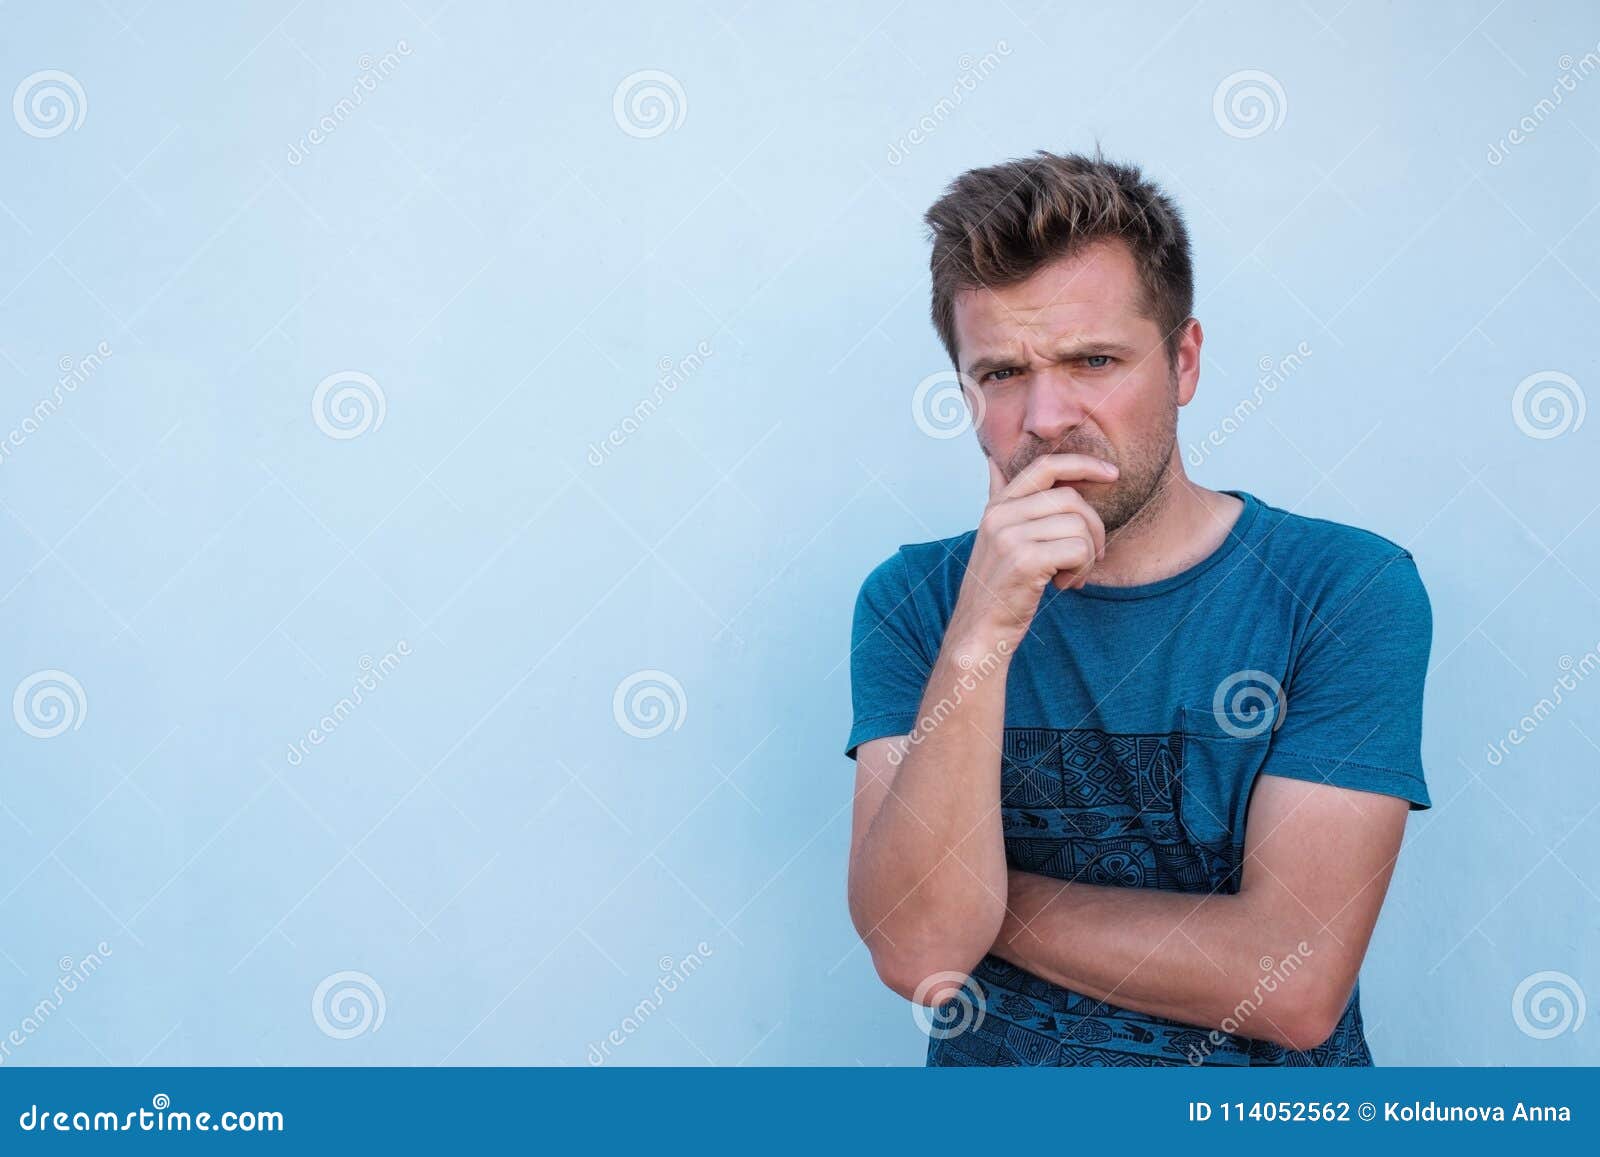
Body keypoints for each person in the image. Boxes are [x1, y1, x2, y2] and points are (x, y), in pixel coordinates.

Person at [844, 149, 1432, 1066]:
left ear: (1184, 361)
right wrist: (981, 638)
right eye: (1001, 373)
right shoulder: (915, 603)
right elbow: (919, 951)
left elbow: (1296, 984)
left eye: (1094, 359)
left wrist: (985, 901)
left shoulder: (1342, 588)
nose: (1046, 414)